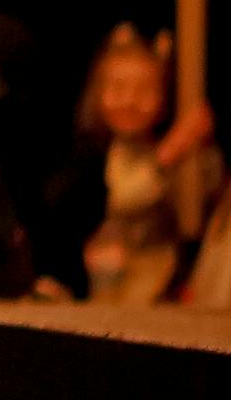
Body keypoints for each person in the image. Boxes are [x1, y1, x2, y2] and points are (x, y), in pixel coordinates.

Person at [33, 19, 223, 307]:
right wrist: (172, 149)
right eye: (118, 88)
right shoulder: (94, 159)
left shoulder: (163, 155)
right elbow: (124, 196)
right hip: (107, 267)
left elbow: (201, 195)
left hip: (156, 264)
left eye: (145, 90)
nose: (130, 101)